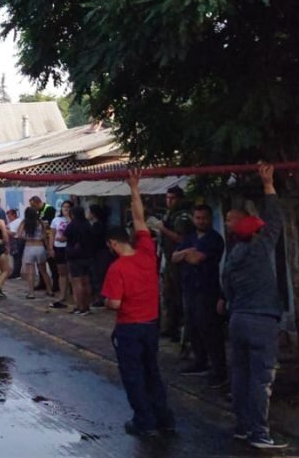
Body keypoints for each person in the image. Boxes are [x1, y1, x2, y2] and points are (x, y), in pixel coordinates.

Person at [103, 168, 176, 437]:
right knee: (152, 370)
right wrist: (134, 187)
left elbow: (113, 303)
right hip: (151, 324)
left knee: (133, 375)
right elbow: (139, 218)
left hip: (130, 327)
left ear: (112, 244)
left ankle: (144, 420)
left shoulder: (117, 269)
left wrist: (111, 302)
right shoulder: (146, 252)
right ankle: (164, 417)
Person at [221, 163, 287, 449]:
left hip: (238, 319)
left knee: (240, 374)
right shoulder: (260, 249)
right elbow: (276, 222)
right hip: (261, 321)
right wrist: (268, 185)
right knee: (261, 379)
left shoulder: (232, 256)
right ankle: (260, 433)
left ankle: (243, 427)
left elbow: (226, 289)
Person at [174, 203, 228, 388]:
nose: (200, 221)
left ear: (210, 219)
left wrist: (187, 254)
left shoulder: (214, 239)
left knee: (210, 329)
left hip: (207, 289)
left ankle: (219, 370)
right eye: (197, 218)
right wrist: (187, 252)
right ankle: (200, 362)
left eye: (203, 218)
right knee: (193, 326)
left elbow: (196, 259)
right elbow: (175, 257)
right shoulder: (189, 237)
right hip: (190, 288)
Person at [158, 185, 195, 342]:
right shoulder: (171, 215)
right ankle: (171, 327)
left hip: (182, 262)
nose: (169, 201)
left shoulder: (183, 217)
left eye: (172, 198)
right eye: (167, 198)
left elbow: (181, 239)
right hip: (170, 260)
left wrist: (162, 229)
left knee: (180, 296)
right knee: (169, 296)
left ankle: (183, 330)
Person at [66, 204, 95, 316]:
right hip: (87, 256)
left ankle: (80, 306)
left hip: (75, 256)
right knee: (87, 282)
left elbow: (64, 237)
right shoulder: (87, 224)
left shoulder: (72, 225)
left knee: (77, 282)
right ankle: (87, 306)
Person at [20, 206, 51, 299]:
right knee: (43, 271)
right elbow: (44, 236)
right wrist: (48, 249)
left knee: (30, 272)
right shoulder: (41, 223)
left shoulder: (25, 223)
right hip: (40, 247)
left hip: (29, 247)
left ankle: (31, 293)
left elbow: (19, 235)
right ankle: (50, 290)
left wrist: (27, 237)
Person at [48, 200, 74, 309]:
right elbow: (52, 234)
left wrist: (69, 218)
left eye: (68, 207)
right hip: (59, 248)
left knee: (72, 273)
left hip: (70, 248)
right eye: (64, 207)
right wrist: (50, 248)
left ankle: (74, 296)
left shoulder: (73, 221)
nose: (65, 209)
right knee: (62, 272)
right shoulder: (56, 220)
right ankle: (62, 295)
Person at [91, 204, 114, 309]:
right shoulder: (105, 224)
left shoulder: (96, 226)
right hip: (105, 252)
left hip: (99, 253)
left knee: (99, 276)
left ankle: (101, 297)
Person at [7, 208, 24, 280]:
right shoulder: (13, 222)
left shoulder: (17, 222)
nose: (9, 218)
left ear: (14, 215)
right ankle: (15, 272)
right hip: (13, 241)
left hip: (17, 240)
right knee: (15, 257)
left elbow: (13, 233)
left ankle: (16, 273)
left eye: (9, 216)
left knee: (17, 257)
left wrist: (4, 229)